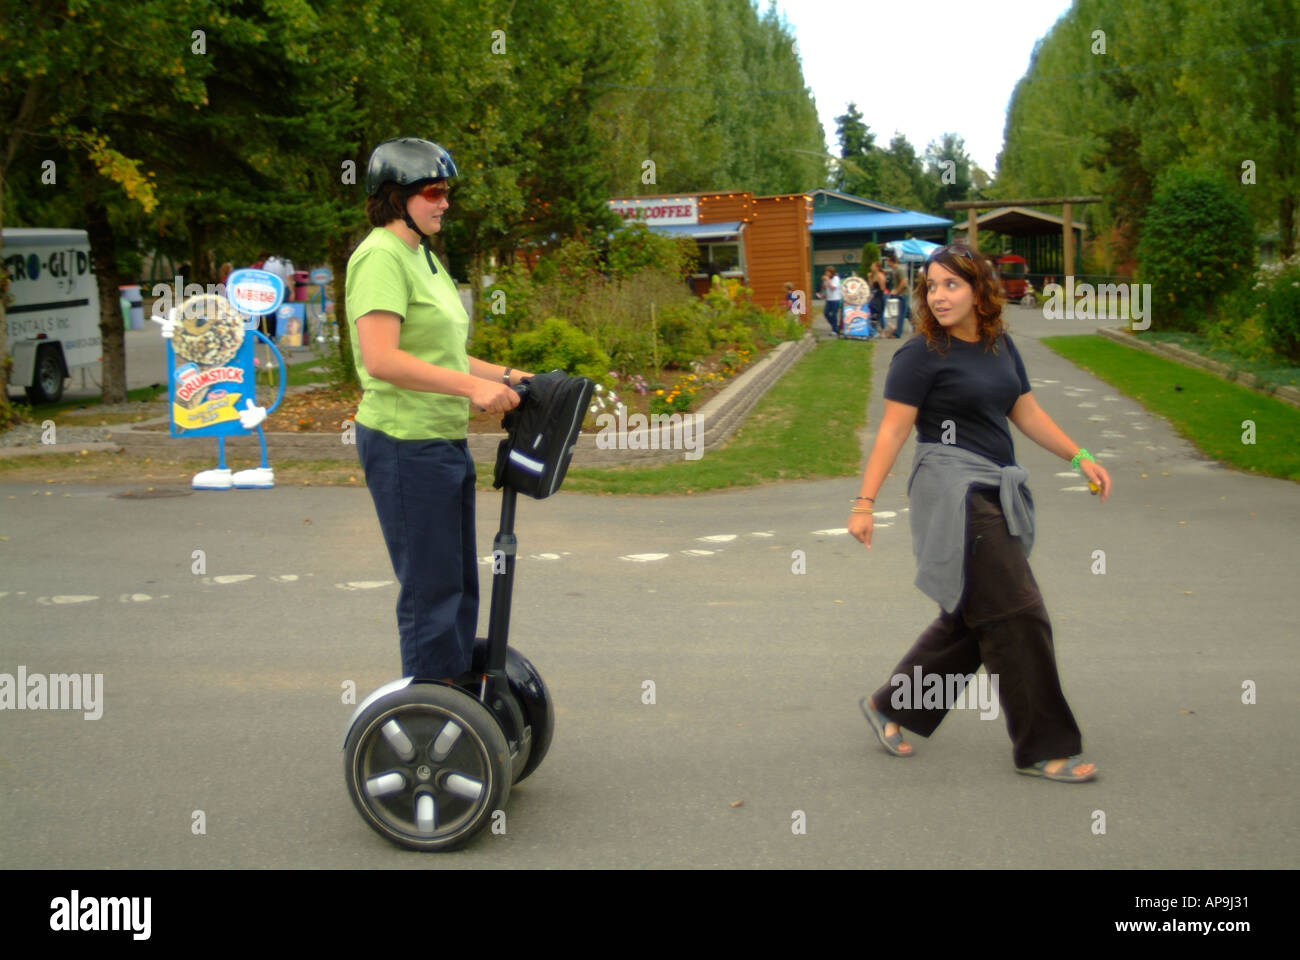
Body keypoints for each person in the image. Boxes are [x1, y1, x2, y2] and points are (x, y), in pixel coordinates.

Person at [849, 243, 1110, 783]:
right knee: (1018, 610)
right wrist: (864, 502)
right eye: (931, 286)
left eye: (952, 285)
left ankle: (890, 705)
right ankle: (1043, 747)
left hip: (994, 483)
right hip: (952, 488)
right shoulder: (920, 354)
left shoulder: (999, 346)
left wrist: (1079, 456)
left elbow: (1025, 411)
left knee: (976, 613)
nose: (938, 296)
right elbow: (894, 430)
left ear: (977, 290)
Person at [346, 136, 532, 681]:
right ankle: (429, 717)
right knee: (431, 586)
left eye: (446, 192)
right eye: (432, 191)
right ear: (393, 196)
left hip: (441, 441)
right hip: (404, 443)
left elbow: (446, 354)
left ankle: (454, 693)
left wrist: (512, 377)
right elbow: (381, 359)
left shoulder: (423, 257)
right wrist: (470, 390)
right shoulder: (379, 256)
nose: (444, 202)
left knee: (458, 582)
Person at [886, 251, 909, 338]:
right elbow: (897, 283)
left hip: (904, 294)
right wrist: (894, 290)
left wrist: (897, 291)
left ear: (891, 261)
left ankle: (897, 334)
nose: (887, 263)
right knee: (908, 313)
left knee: (901, 314)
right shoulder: (894, 270)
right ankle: (918, 328)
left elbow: (903, 282)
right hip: (901, 294)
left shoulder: (899, 269)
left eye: (888, 261)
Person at [820, 266, 842, 336]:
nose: (826, 273)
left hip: (835, 299)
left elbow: (833, 288)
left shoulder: (836, 278)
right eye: (826, 272)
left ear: (831, 273)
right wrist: (823, 281)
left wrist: (828, 280)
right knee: (826, 313)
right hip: (829, 299)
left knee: (834, 314)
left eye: (828, 272)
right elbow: (823, 288)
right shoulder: (827, 279)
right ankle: (835, 327)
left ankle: (835, 330)